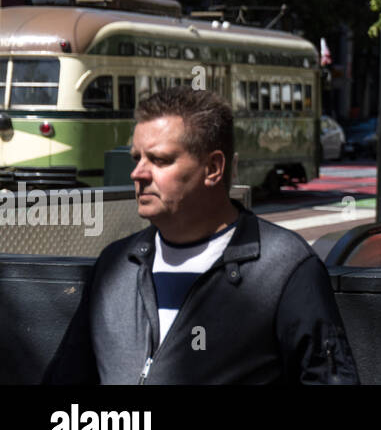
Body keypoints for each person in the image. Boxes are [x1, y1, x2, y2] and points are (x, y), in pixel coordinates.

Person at [44, 87, 358, 384]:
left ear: (213, 168)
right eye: (136, 158)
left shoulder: (284, 268)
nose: (137, 173)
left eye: (160, 160)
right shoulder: (115, 266)